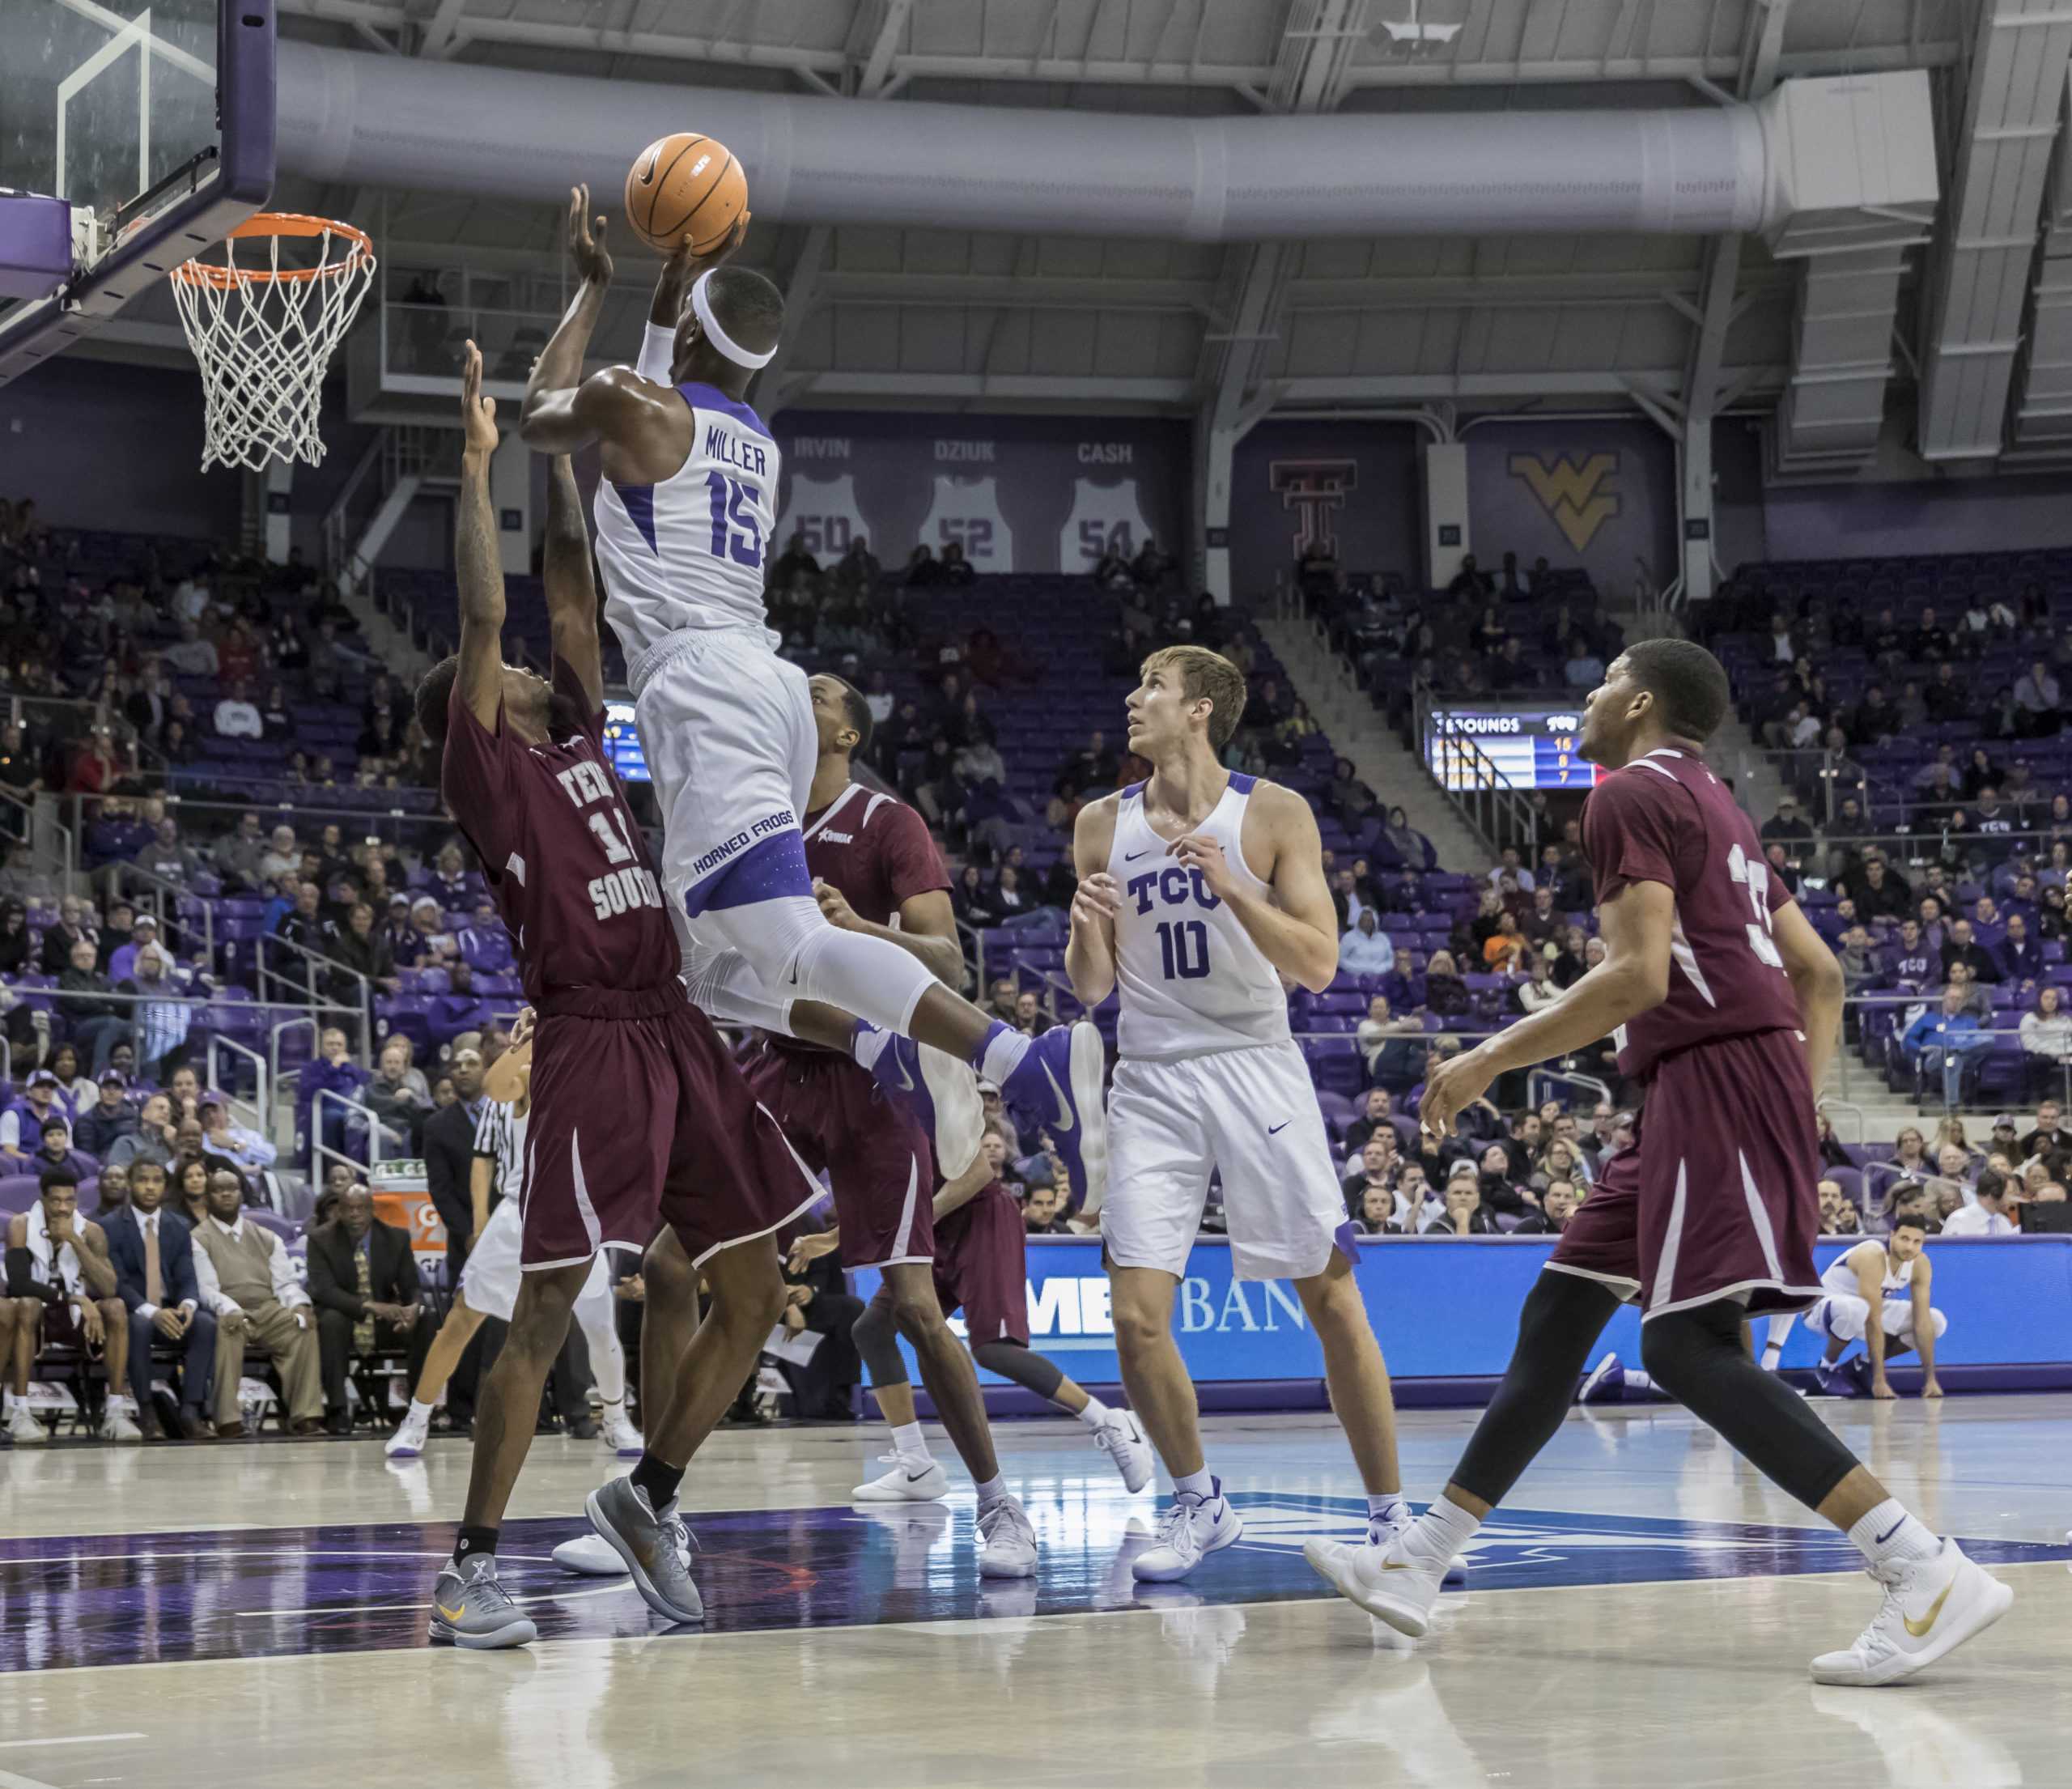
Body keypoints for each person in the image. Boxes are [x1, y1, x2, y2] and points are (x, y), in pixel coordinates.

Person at [1306, 639, 2011, 1686]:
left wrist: (1489, 1056)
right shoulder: (1719, 804)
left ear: (1638, 702)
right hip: (1712, 1085)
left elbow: (1636, 976)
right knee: (1559, 1316)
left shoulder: (1626, 792)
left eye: (1596, 685)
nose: (1584, 700)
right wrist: (1791, 1095)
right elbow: (1818, 973)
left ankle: (1921, 1567)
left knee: (1687, 1348)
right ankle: (1421, 1560)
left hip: (1710, 1078)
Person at [512, 187, 1107, 1214]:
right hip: (768, 690)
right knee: (700, 972)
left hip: (707, 691)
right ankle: (881, 1039)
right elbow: (657, 389)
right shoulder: (749, 435)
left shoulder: (632, 399)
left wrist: (590, 289)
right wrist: (665, 302)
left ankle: (1020, 1059)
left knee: (785, 938)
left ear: (687, 330)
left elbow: (538, 416)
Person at [410, 348, 823, 1650]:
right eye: (516, 676)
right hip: (590, 1038)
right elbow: (488, 621)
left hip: (677, 1024)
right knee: (542, 1306)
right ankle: (473, 1567)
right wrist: (479, 465)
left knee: (755, 1288)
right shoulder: (485, 773)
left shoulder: (582, 730)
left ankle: (649, 1494)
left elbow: (570, 589)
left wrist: (561, 452)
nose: (539, 666)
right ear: (479, 714)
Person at [1065, 644, 1413, 1584]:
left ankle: (1390, 1520)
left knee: (1329, 1292)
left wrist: (1230, 886)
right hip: (1151, 1075)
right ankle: (1198, 1503)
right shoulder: (1101, 823)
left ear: (1200, 711)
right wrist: (1081, 922)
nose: (1134, 698)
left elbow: (1316, 963)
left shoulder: (1270, 812)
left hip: (1256, 1064)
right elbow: (1091, 987)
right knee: (1134, 1316)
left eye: (1153, 687)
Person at [736, 673, 1043, 1571]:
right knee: (686, 1263)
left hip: (875, 1074)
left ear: (845, 733)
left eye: (823, 691)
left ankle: (995, 1503)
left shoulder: (886, 822)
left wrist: (863, 926)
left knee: (911, 1303)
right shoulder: (758, 818)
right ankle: (651, 1496)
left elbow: (946, 958)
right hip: (774, 1061)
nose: (804, 692)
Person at [792, 1122, 1152, 1498]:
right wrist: (831, 1239)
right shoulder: (848, 1126)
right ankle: (916, 1465)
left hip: (981, 1220)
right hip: (931, 1234)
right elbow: (878, 1194)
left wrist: (918, 1220)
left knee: (994, 1351)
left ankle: (1108, 1420)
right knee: (872, 1329)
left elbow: (979, 1173)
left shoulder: (907, 1096)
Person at [386, 1015, 641, 1461]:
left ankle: (617, 1419)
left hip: (579, 1216)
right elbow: (494, 1087)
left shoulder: (596, 1075)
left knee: (601, 1328)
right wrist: (526, 1038)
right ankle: (417, 1419)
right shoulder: (523, 1075)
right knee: (463, 1320)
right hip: (519, 1216)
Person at [2, 1170, 135, 1443]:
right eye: (56, 1201)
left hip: (75, 1318)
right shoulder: (20, 1225)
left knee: (116, 1307)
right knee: (26, 1305)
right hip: (37, 1312)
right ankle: (21, 1412)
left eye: (69, 1201)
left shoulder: (91, 1231)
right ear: (43, 1199)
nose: (63, 1208)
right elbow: (18, 1284)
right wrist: (74, 1298)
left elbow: (109, 1288)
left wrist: (75, 1240)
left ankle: (115, 1413)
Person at [100, 1159, 216, 1439]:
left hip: (170, 1309)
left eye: (156, 1180)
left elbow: (187, 1275)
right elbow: (117, 1282)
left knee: (205, 1323)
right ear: (130, 1183)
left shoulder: (178, 1225)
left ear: (165, 1186)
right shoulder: (110, 1226)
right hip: (134, 1309)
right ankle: (147, 1410)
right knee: (137, 1326)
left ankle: (191, 1410)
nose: (150, 1187)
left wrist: (187, 1305)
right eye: (143, 1180)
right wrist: (152, 1312)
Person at [306, 1184, 431, 1436]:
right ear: (339, 1211)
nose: (355, 1214)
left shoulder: (396, 1237)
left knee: (426, 1321)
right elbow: (324, 1290)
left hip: (386, 1323)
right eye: (349, 1209)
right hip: (345, 1317)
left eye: (361, 1208)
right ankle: (338, 1410)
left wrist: (413, 1308)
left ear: (372, 1210)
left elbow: (412, 1287)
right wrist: (370, 1307)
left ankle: (421, 1409)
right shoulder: (320, 1239)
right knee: (331, 1321)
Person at [1800, 1217, 1947, 1400]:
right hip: (1820, 1310)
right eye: (1904, 1238)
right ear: (1891, 1235)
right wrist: (1880, 1380)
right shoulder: (1872, 1256)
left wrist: (1931, 1380)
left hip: (1862, 1310)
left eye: (1917, 1242)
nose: (1910, 1247)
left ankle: (1863, 1364)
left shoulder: (1920, 1264)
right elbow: (1873, 1321)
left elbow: (1922, 1323)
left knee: (1935, 1321)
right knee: (1858, 1309)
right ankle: (1826, 1368)